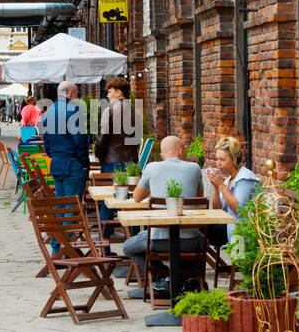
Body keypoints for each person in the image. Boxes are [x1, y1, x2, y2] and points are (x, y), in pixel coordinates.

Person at [122, 135, 205, 294]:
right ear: (181, 151)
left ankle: (164, 277)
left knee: (127, 247)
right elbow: (198, 201)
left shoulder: (151, 168)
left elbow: (137, 198)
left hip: (158, 240)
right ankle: (181, 279)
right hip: (191, 241)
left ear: (162, 155)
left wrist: (154, 187)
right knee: (202, 243)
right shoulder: (194, 168)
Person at [203, 136, 260, 249]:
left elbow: (239, 210)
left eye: (222, 160)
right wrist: (215, 187)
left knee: (201, 231)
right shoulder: (229, 179)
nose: (218, 163)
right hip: (231, 226)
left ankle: (196, 262)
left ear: (234, 160)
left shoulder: (245, 179)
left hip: (243, 231)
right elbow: (218, 211)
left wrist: (221, 185)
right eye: (217, 159)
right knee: (199, 230)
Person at [94, 76, 133, 228]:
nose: (108, 95)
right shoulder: (134, 110)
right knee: (129, 200)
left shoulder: (109, 111)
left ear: (118, 92)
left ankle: (106, 240)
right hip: (130, 161)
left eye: (110, 92)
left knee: (108, 199)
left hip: (111, 161)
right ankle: (131, 236)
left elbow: (102, 137)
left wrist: (98, 153)